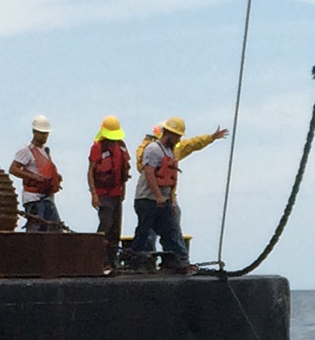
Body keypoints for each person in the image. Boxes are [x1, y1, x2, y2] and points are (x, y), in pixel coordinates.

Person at [131, 115, 229, 273]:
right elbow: (149, 173)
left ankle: (176, 261)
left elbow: (192, 145)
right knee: (145, 231)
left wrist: (169, 200)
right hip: (148, 199)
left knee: (170, 230)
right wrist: (158, 196)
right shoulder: (153, 149)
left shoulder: (171, 152)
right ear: (168, 134)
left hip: (164, 199)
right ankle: (138, 262)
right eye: (176, 136)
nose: (178, 139)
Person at [9, 114, 65, 232]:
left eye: (46, 133)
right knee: (35, 230)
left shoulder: (45, 151)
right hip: (33, 199)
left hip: (47, 198)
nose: (44, 136)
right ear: (34, 132)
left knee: (55, 229)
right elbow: (13, 169)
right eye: (41, 133)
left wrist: (56, 177)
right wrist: (34, 177)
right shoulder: (26, 151)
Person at [88, 115, 131, 252]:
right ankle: (98, 257)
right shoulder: (97, 148)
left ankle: (112, 260)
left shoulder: (121, 146)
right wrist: (94, 195)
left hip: (117, 194)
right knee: (105, 225)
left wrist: (123, 190)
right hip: (103, 194)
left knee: (115, 229)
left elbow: (124, 172)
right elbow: (90, 172)